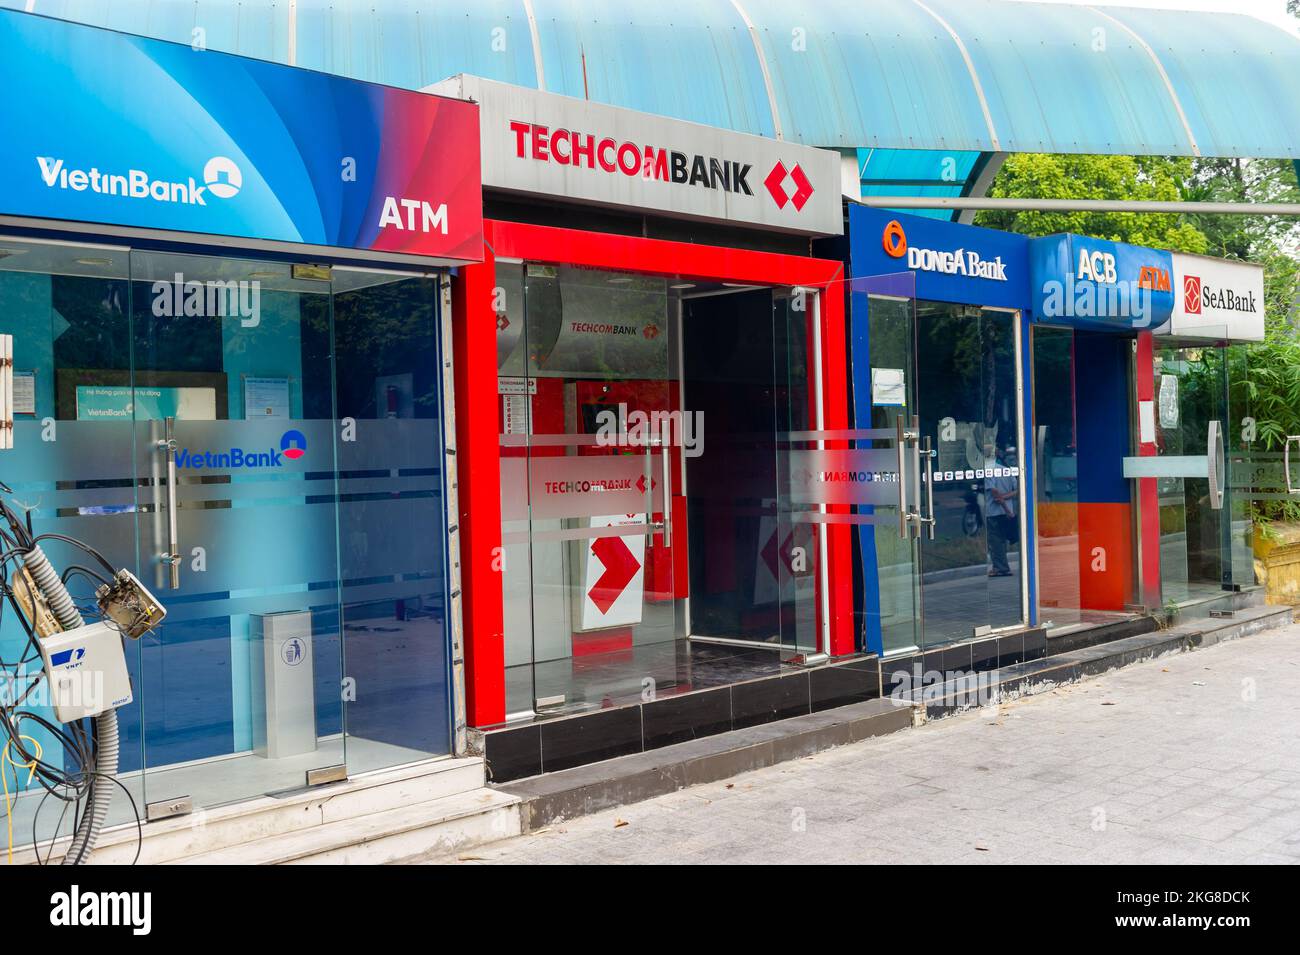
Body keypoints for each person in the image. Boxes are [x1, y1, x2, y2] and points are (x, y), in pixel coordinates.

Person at [985, 445, 1019, 578]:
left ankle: (1000, 568)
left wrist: (1002, 501)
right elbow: (1017, 490)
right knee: (1002, 541)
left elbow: (994, 492)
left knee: (995, 541)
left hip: (994, 512)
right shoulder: (1005, 470)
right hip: (1007, 513)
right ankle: (1001, 566)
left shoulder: (989, 471)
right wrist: (1006, 500)